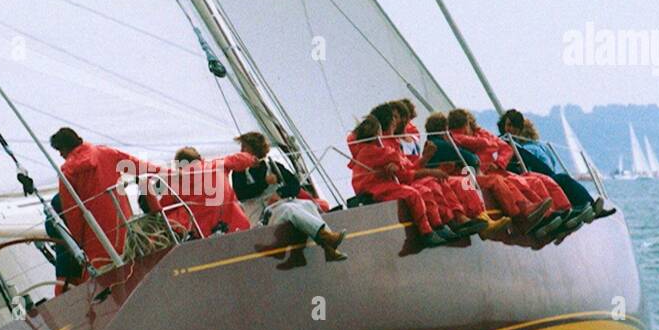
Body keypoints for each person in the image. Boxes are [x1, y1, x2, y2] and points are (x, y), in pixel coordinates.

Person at [49, 127, 162, 270]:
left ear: (65, 147)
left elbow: (72, 213)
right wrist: (170, 173)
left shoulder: (67, 171)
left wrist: (79, 241)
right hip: (125, 231)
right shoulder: (106, 153)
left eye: (60, 150)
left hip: (97, 242)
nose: (60, 154)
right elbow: (139, 166)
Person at [446, 108, 570, 235]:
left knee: (534, 180)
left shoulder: (480, 133)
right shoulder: (455, 137)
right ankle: (522, 216)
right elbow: (482, 144)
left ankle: (555, 214)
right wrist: (492, 144)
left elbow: (505, 148)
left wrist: (499, 163)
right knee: (508, 182)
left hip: (495, 171)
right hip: (475, 175)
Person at [347, 116, 465, 247]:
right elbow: (406, 172)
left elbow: (405, 171)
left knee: (424, 190)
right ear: (378, 133)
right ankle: (428, 232)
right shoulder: (381, 152)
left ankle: (439, 225)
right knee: (413, 194)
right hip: (375, 188)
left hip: (373, 186)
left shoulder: (363, 152)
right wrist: (426, 160)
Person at [232, 132, 347, 260]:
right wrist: (265, 183)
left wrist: (280, 193)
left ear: (254, 149)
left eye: (244, 147)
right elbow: (242, 194)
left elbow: (294, 184)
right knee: (289, 210)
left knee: (308, 204)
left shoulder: (273, 166)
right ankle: (328, 239)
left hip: (278, 206)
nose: (241, 151)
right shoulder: (239, 172)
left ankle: (329, 248)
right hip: (261, 216)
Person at [496, 109, 615, 222]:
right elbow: (527, 160)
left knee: (560, 179)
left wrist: (548, 174)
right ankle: (579, 209)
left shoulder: (515, 145)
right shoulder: (504, 143)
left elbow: (531, 161)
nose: (512, 129)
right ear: (503, 126)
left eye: (515, 127)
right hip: (519, 179)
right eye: (509, 125)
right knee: (560, 179)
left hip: (530, 176)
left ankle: (588, 207)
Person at [158, 146, 255, 237]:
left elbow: (162, 209)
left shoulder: (177, 182)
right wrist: (252, 159)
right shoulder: (218, 165)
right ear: (200, 157)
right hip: (239, 227)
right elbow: (241, 158)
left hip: (205, 238)